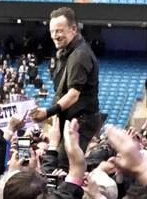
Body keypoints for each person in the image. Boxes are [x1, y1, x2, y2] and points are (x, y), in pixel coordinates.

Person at [30, 8, 100, 151]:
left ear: (73, 29)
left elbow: (73, 94)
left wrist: (48, 112)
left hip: (79, 123)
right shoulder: (67, 54)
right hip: (72, 121)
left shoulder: (79, 55)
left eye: (59, 30)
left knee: (64, 165)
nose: (55, 35)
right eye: (52, 31)